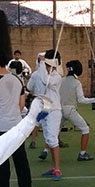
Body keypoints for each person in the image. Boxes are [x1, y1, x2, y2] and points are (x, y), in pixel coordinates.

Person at [0, 8, 33, 187]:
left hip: (0, 127)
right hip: (16, 125)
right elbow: (21, 105)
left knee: (2, 162)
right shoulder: (17, 80)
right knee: (21, 161)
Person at [60, 59, 95, 161]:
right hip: (70, 111)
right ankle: (82, 153)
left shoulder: (61, 80)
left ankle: (45, 151)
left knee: (54, 132)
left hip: (59, 110)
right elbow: (81, 100)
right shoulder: (76, 83)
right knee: (85, 129)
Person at [34, 49, 64, 179]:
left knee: (52, 139)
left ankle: (57, 170)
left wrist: (41, 64)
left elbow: (44, 81)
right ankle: (54, 167)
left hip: (54, 111)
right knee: (48, 139)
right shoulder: (44, 73)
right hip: (45, 110)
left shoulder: (56, 77)